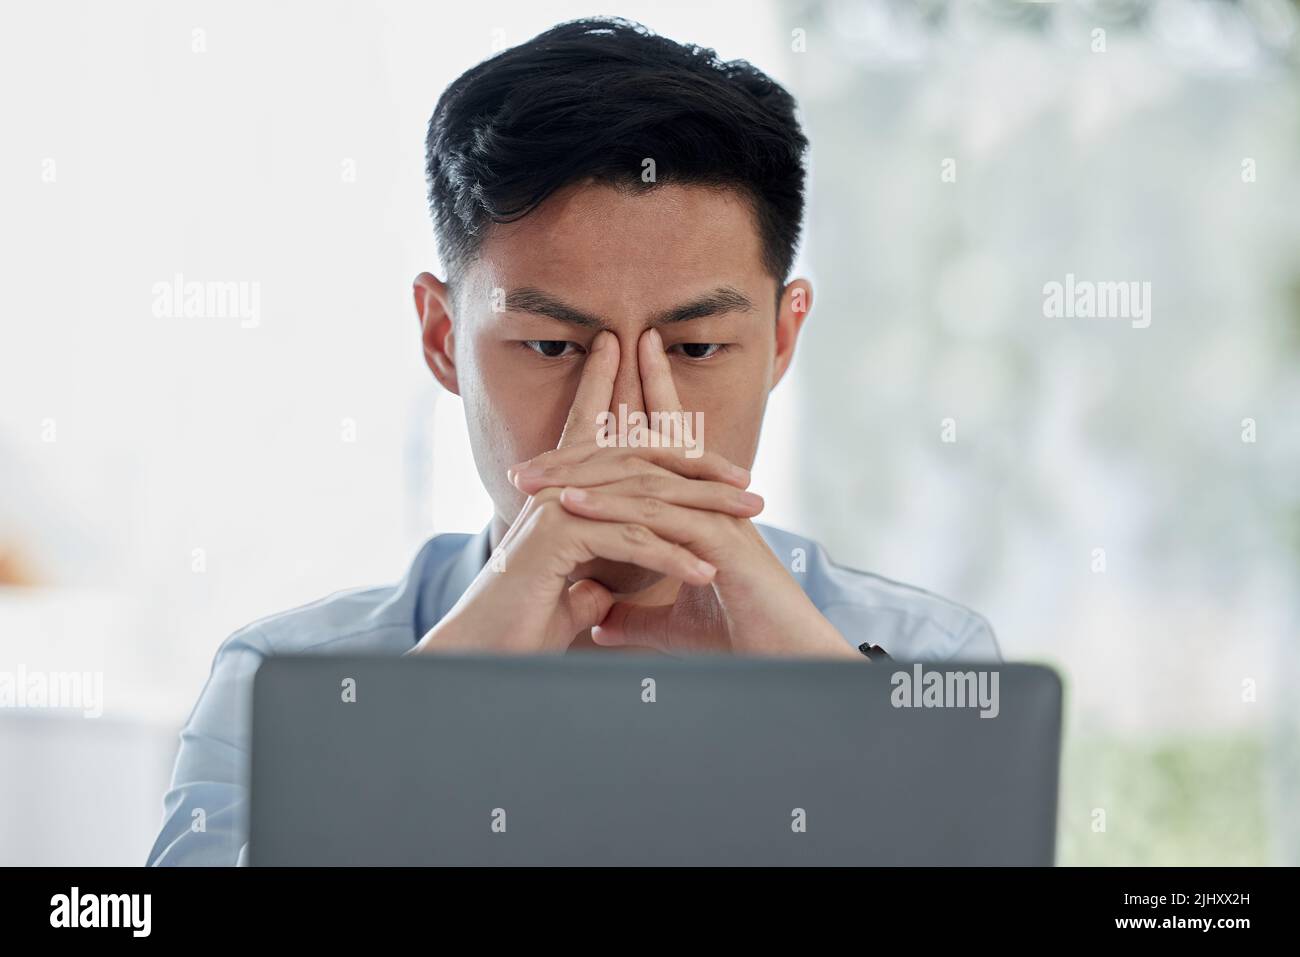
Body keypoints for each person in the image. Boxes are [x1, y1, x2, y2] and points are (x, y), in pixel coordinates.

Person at [148, 17, 999, 866]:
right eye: (554, 347)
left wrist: (834, 715)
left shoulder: (920, 663)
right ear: (444, 338)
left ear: (781, 341)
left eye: (696, 348)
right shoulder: (283, 683)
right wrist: (427, 709)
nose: (624, 416)